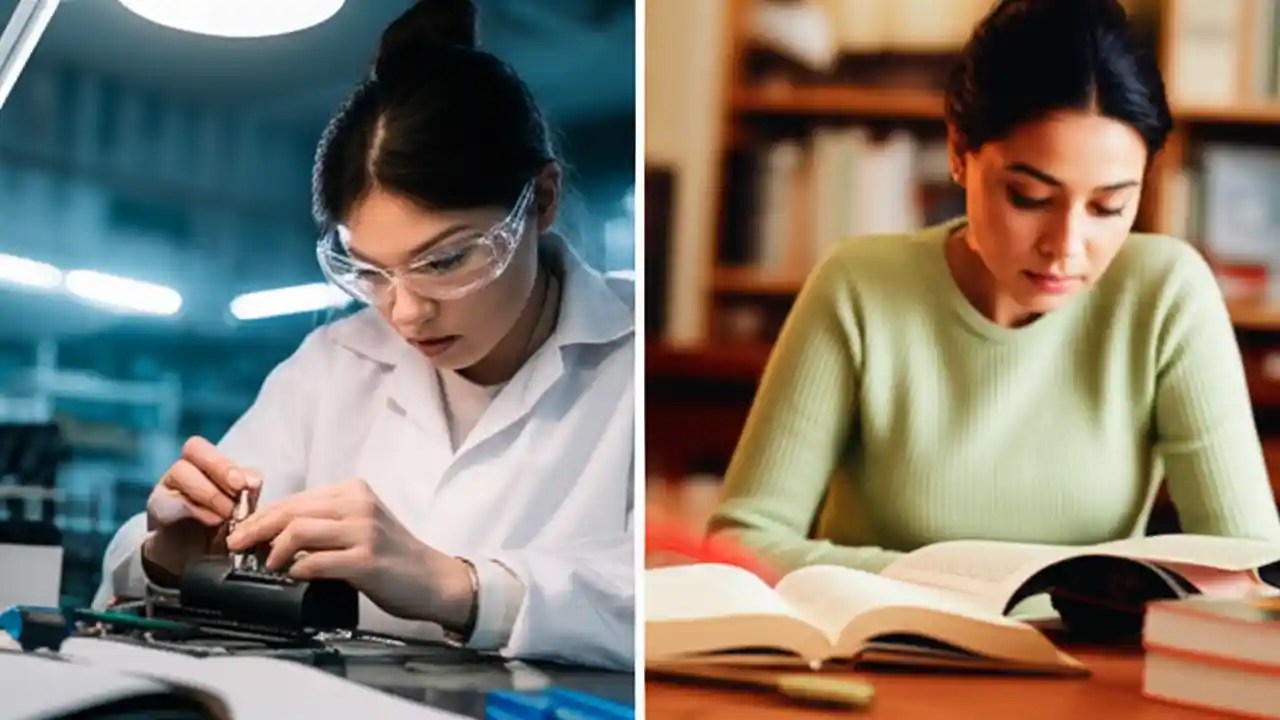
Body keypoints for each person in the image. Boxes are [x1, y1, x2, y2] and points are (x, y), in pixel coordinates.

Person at [94, 0, 634, 671]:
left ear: (543, 200)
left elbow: (660, 601)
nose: (405, 313)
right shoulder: (334, 364)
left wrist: (455, 585)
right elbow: (129, 572)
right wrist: (170, 559)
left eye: (445, 261)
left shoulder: (635, 358)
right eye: (372, 271)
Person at [709, 0, 1280, 577]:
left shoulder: (1166, 297)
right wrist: (970, 585)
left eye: (1108, 206)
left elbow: (1251, 568)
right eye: (1029, 197)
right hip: (881, 635)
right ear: (959, 152)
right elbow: (743, 542)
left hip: (1079, 641)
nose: (1065, 245)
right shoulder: (859, 288)